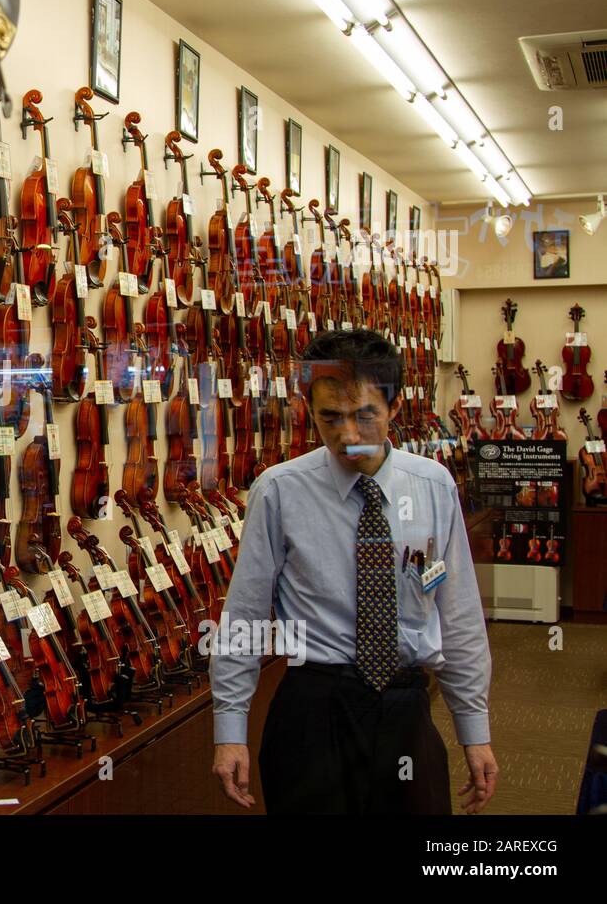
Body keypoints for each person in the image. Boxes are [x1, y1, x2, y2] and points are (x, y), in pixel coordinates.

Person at [209, 329, 498, 814]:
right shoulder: (280, 491)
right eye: (330, 417)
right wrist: (230, 730)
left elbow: (459, 615)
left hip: (406, 705)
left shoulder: (432, 486)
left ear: (395, 408)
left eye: (365, 416)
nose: (348, 435)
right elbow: (245, 617)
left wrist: (475, 729)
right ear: (309, 409)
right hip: (313, 709)